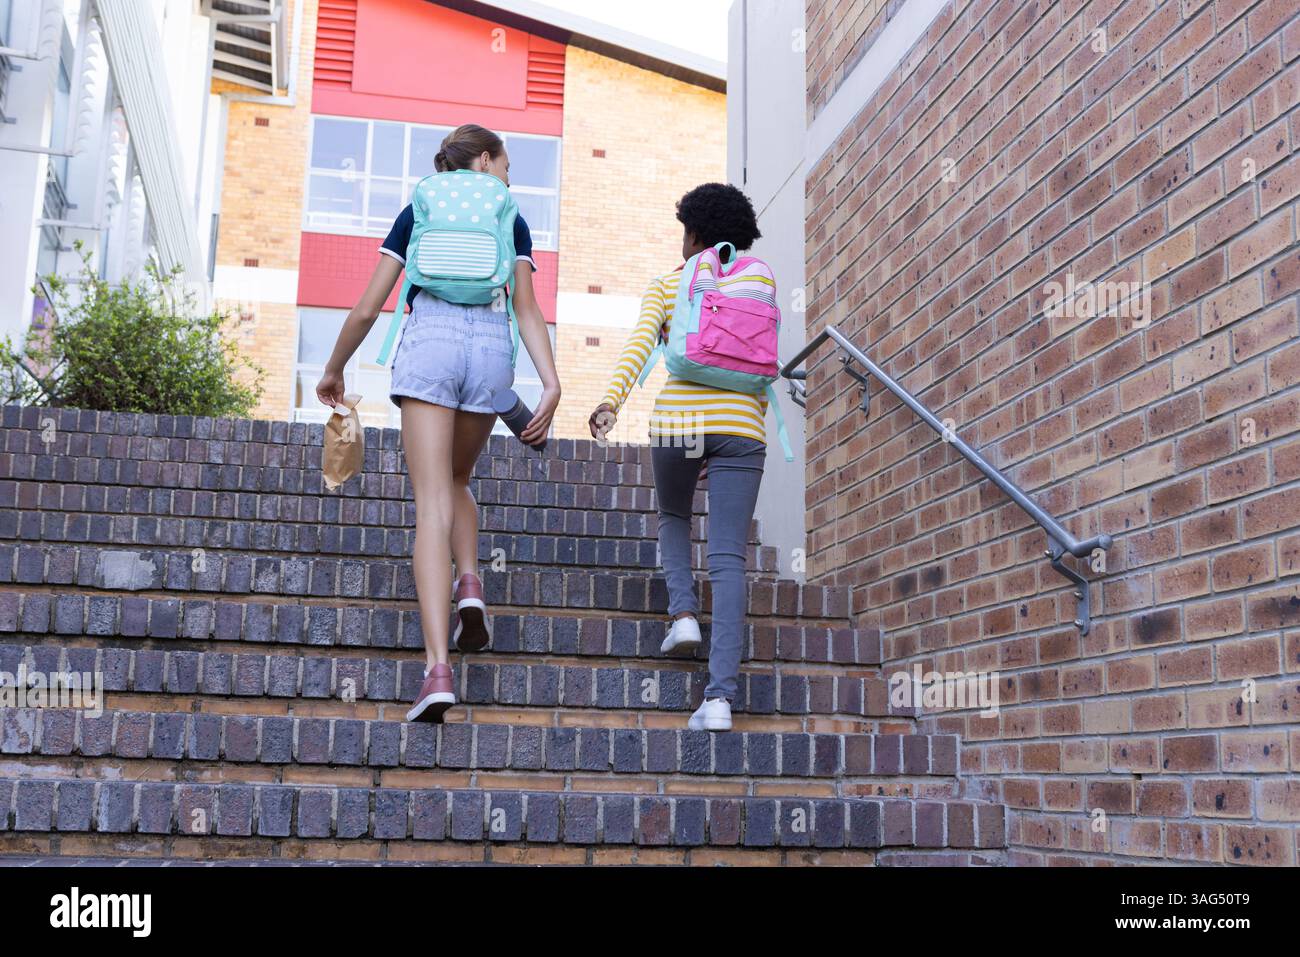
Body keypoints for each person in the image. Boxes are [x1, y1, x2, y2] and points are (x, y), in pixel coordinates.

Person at [316, 124, 560, 723]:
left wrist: (334, 369)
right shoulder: (511, 216)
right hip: (488, 349)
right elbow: (526, 308)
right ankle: (470, 582)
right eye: (506, 165)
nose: (508, 177)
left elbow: (371, 304)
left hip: (428, 342)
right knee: (457, 478)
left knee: (431, 504)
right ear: (483, 160)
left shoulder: (417, 208)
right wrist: (550, 382)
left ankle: (436, 670)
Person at [589, 183, 768, 732]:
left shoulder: (671, 284)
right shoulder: (759, 281)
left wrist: (610, 402)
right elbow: (761, 363)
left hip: (680, 421)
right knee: (730, 558)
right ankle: (718, 700)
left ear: (693, 233)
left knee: (674, 515)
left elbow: (640, 347)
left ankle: (684, 615)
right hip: (743, 428)